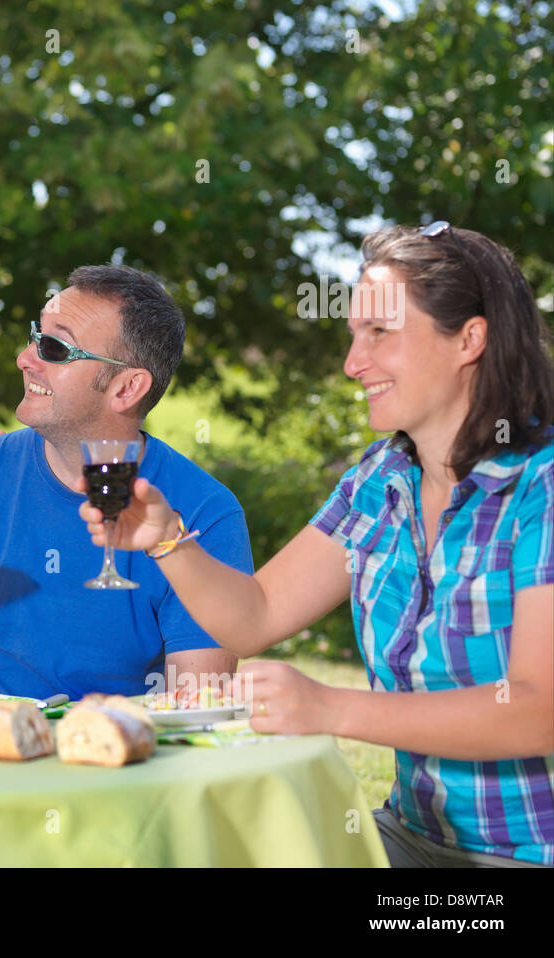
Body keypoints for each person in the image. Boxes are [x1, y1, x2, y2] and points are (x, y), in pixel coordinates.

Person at [80, 223, 554, 867]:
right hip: (413, 837)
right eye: (354, 335)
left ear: (470, 338)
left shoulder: (540, 489)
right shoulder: (380, 479)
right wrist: (168, 542)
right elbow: (256, 616)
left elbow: (536, 712)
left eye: (380, 333)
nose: (353, 363)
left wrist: (330, 706)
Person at [0, 264, 254, 702]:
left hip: (115, 757)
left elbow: (195, 703)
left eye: (54, 347)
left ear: (126, 388)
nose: (25, 358)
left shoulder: (205, 513)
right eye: (35, 335)